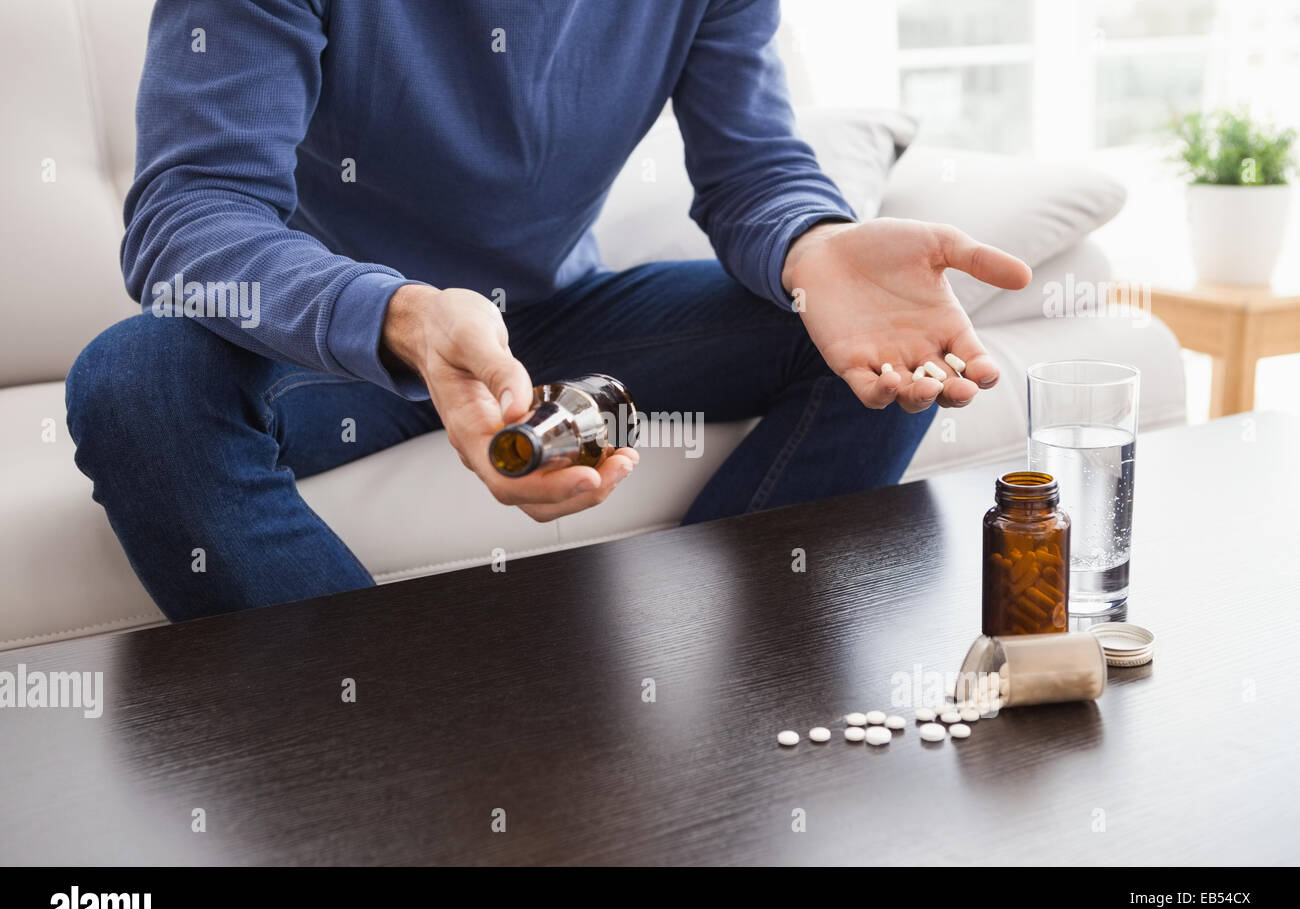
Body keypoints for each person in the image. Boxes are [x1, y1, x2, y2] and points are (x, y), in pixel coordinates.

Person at [65, 0, 1030, 621]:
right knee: (137, 382)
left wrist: (815, 246)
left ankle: (722, 666)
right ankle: (365, 746)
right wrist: (395, 314)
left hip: (553, 319)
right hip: (331, 335)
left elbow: (752, 173)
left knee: (862, 342)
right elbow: (188, 214)